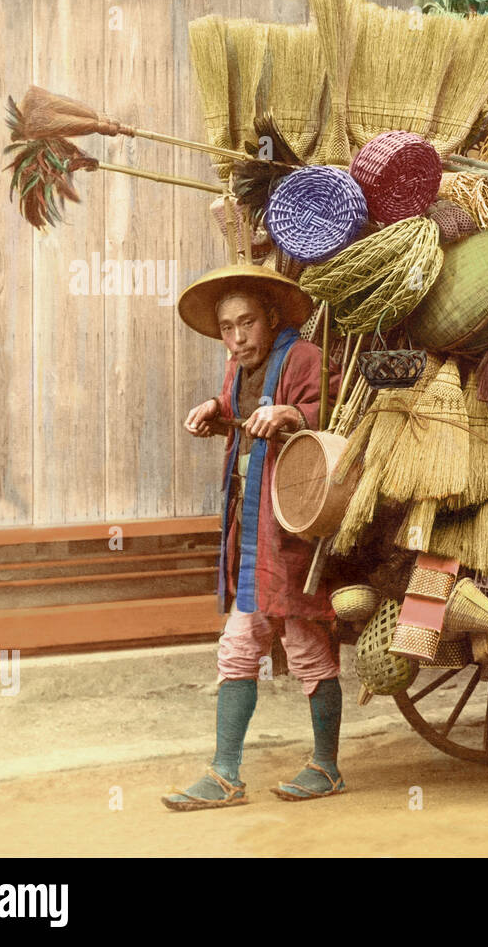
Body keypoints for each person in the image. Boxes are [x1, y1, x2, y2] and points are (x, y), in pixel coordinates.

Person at [163, 263, 345, 810]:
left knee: (306, 644)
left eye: (247, 323)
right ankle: (224, 774)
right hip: (251, 530)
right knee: (240, 647)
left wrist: (293, 412)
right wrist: (215, 411)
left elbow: (337, 415)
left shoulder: (304, 358)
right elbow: (242, 416)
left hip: (293, 527)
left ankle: (325, 767)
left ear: (269, 319)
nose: (237, 337)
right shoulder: (236, 369)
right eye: (226, 327)